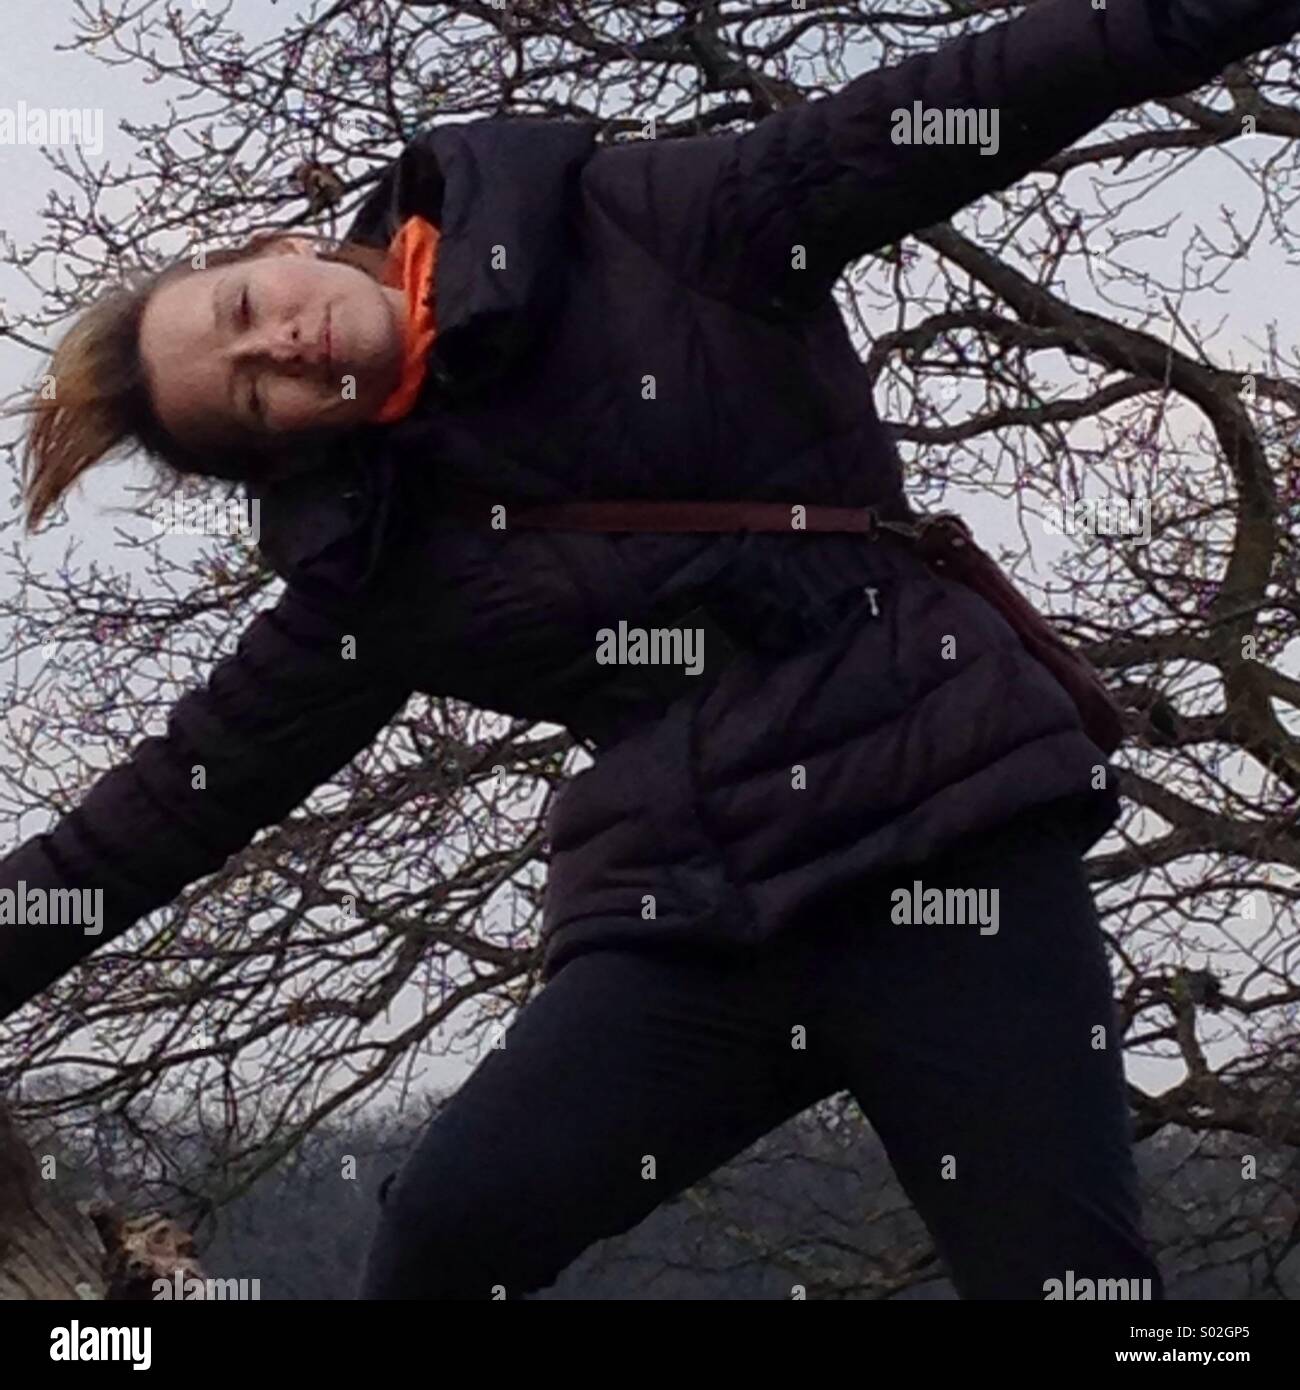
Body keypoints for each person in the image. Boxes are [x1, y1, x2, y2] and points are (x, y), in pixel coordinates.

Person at [2, 0, 1296, 1300]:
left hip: (947, 846)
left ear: (284, 246)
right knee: (444, 1238)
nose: (276, 343)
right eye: (247, 389)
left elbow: (983, 90)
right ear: (280, 445)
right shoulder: (375, 575)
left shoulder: (648, 221)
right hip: (703, 918)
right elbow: (156, 817)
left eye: (243, 306)